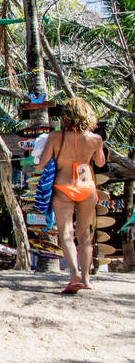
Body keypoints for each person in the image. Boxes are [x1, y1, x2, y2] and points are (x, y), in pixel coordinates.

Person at [40, 97, 105, 294]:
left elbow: (42, 164)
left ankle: (74, 274)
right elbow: (100, 163)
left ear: (65, 116)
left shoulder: (55, 137)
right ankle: (86, 278)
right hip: (86, 187)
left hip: (63, 187)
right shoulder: (95, 139)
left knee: (66, 233)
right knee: (85, 235)